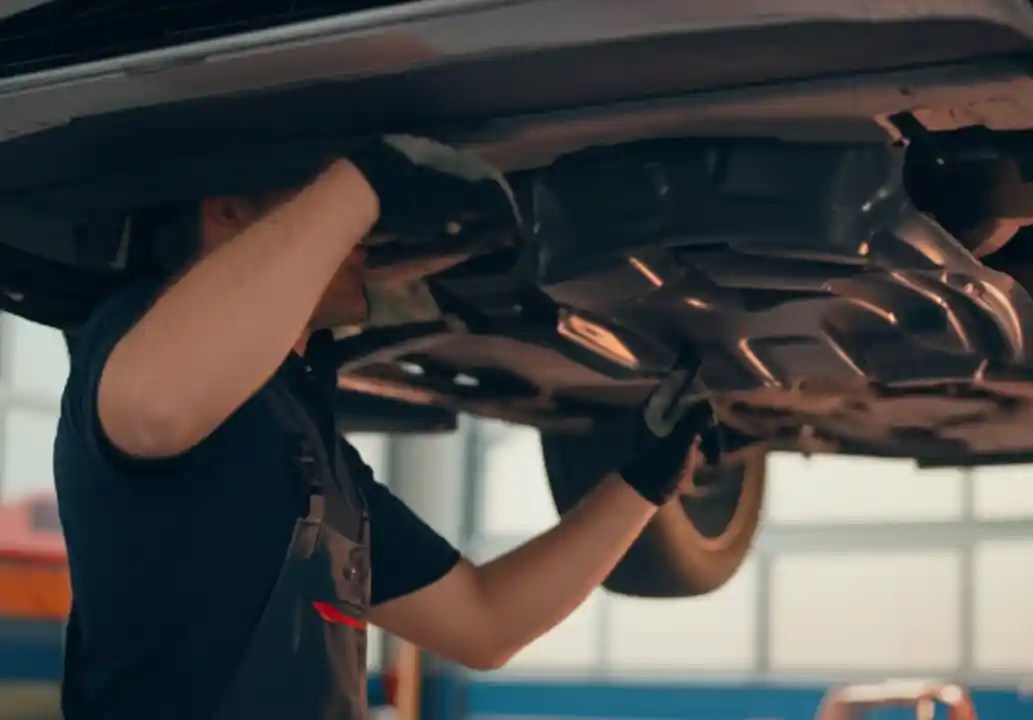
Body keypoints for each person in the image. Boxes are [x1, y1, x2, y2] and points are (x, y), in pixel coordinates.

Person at [52, 137, 712, 719]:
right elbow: (153, 407)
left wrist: (642, 484)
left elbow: (486, 622)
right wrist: (364, 179)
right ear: (226, 211)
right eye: (318, 184)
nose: (364, 238)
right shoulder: (133, 330)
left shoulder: (315, 455)